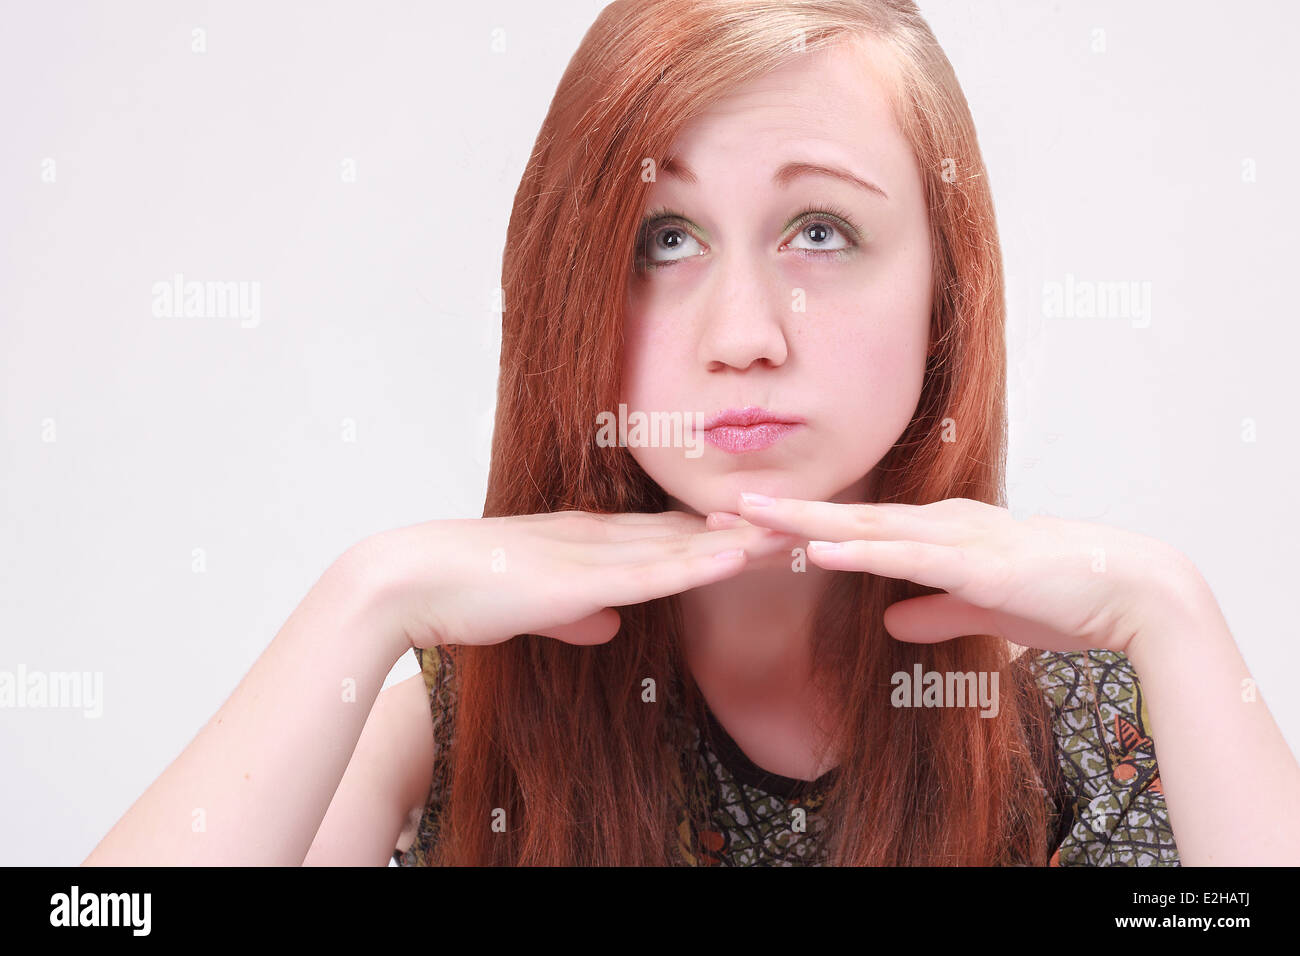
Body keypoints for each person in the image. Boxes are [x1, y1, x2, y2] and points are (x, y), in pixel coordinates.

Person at [83, 0, 1300, 867]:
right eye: (664, 238)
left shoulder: (1091, 724)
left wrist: (1173, 616)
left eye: (819, 229)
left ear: (945, 290)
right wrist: (363, 597)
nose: (745, 335)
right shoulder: (457, 728)